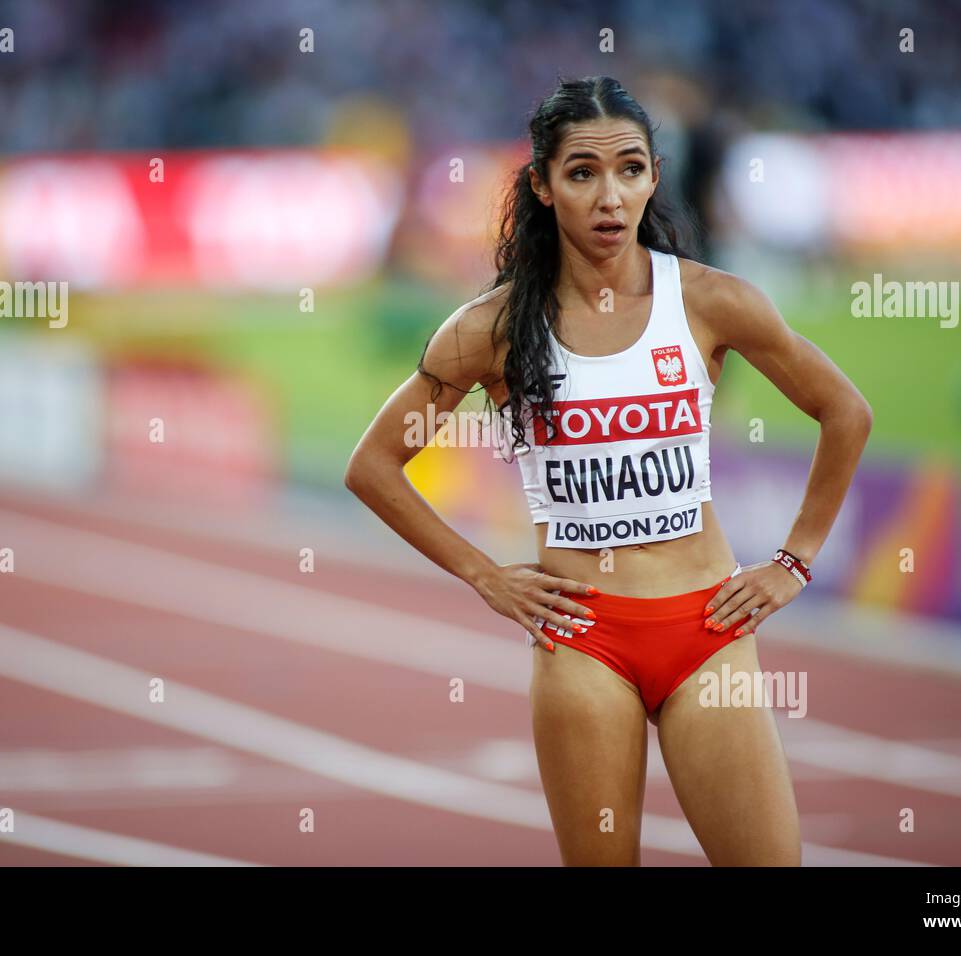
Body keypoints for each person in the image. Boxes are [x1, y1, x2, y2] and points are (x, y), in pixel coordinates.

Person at [344, 76, 872, 866]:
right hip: (585, 641)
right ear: (543, 185)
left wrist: (793, 563)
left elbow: (845, 411)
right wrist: (486, 576)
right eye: (582, 173)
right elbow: (374, 465)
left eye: (628, 170)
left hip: (708, 630)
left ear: (655, 175)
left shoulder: (710, 302)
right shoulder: (489, 327)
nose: (609, 196)